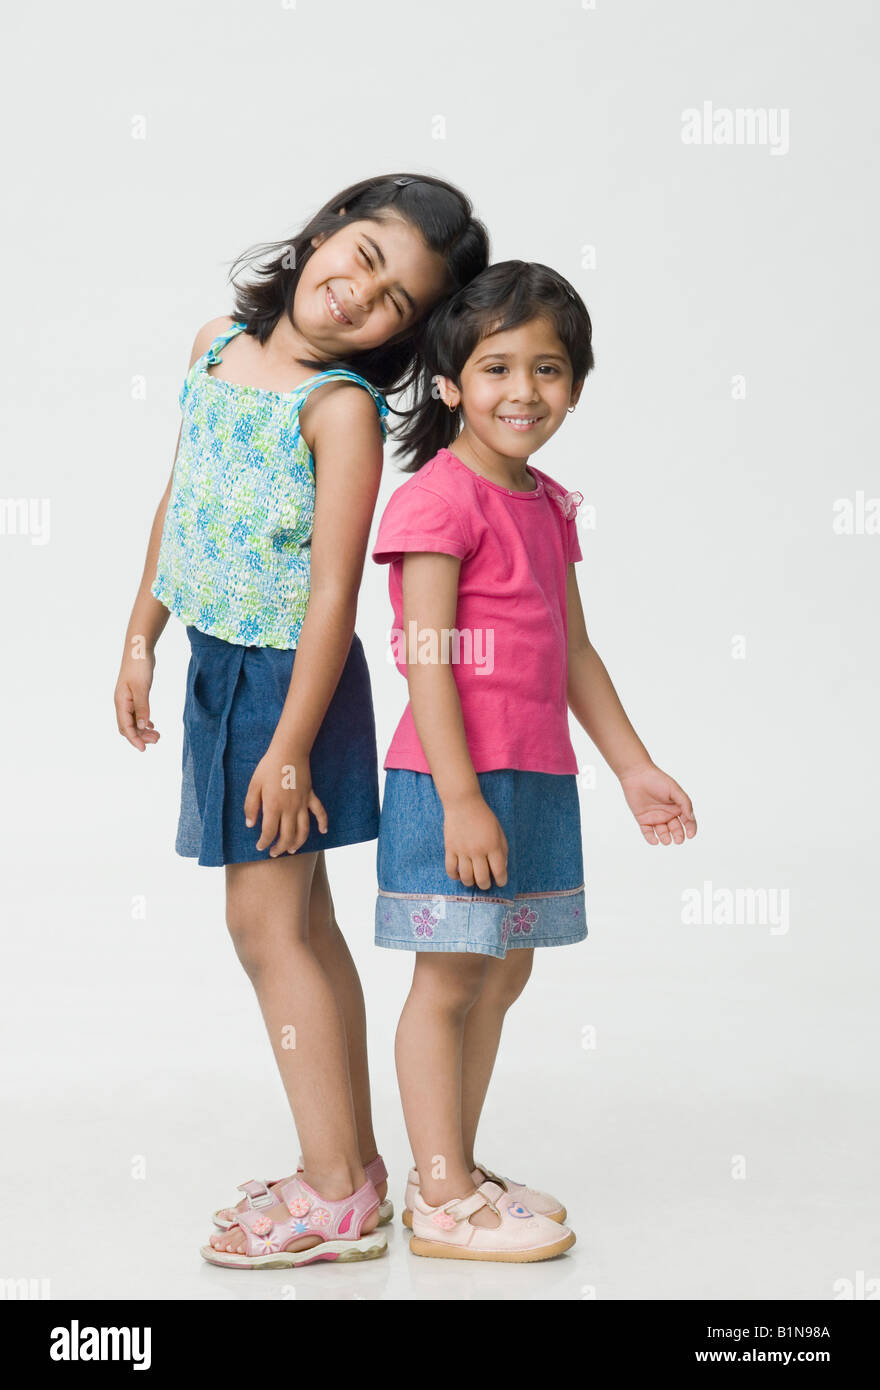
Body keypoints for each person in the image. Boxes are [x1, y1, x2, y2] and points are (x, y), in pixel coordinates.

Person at [113, 174, 489, 1269]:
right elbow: (179, 501)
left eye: (395, 303)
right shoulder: (214, 343)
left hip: (290, 688)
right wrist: (142, 634)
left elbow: (333, 595)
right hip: (217, 666)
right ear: (326, 229)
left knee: (265, 928)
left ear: (406, 338)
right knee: (301, 926)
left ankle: (333, 1191)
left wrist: (286, 749)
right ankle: (353, 1166)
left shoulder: (338, 410)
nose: (360, 292)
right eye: (363, 254)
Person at [372, 260, 698, 1261]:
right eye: (497, 367)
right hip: (448, 781)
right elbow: (423, 657)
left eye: (548, 369)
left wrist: (634, 765)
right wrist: (463, 799)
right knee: (450, 977)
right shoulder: (438, 501)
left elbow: (573, 649)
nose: (523, 392)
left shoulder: (548, 504)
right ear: (449, 383)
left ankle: (456, 1169)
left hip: (535, 778)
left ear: (577, 385)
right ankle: (437, 1199)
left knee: (503, 972)